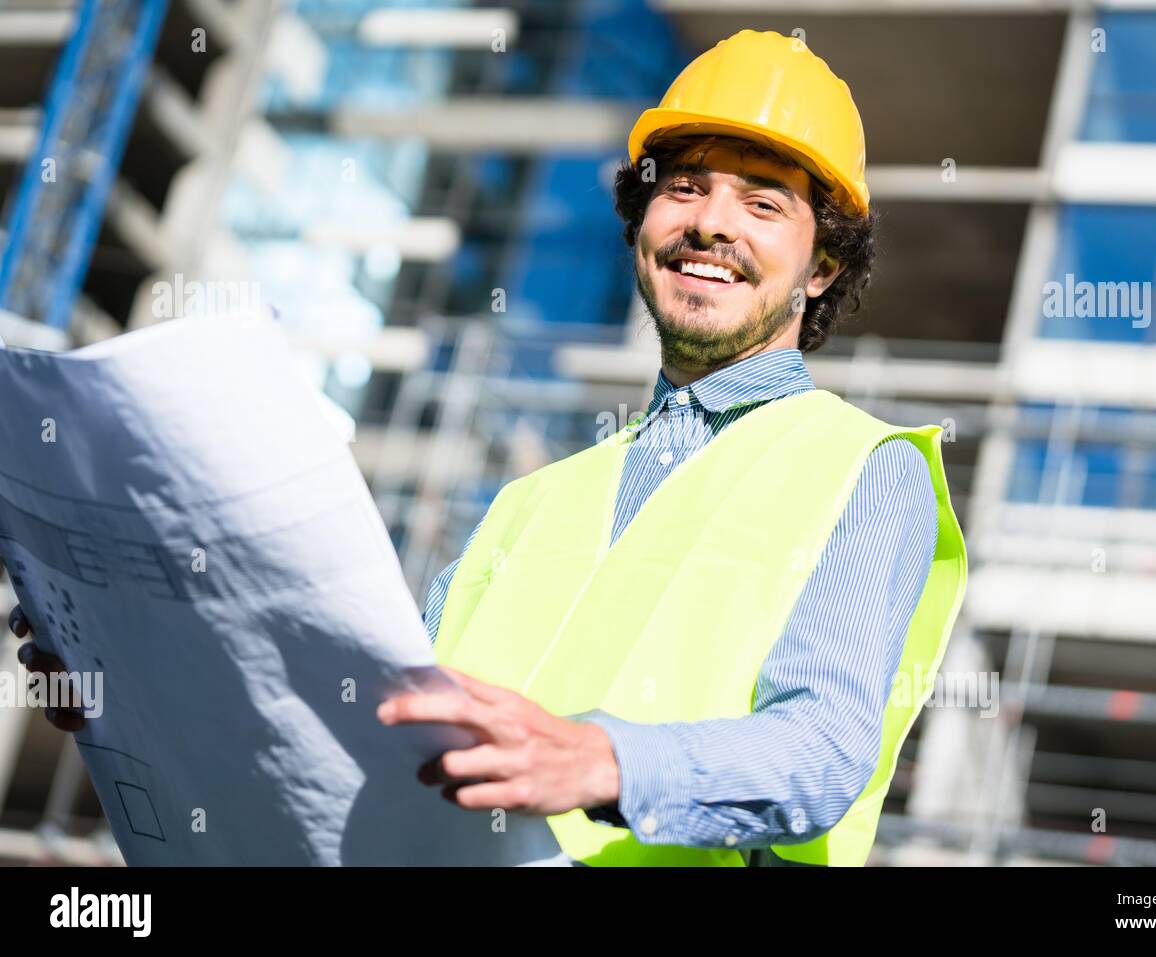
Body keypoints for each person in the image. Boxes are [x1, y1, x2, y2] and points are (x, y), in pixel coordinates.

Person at [12, 29, 966, 867]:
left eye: (764, 204)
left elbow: (821, 750)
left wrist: (600, 760)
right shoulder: (531, 502)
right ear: (644, 222)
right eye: (684, 188)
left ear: (824, 263)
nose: (711, 221)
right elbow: (371, 750)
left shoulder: (865, 468)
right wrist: (134, 697)